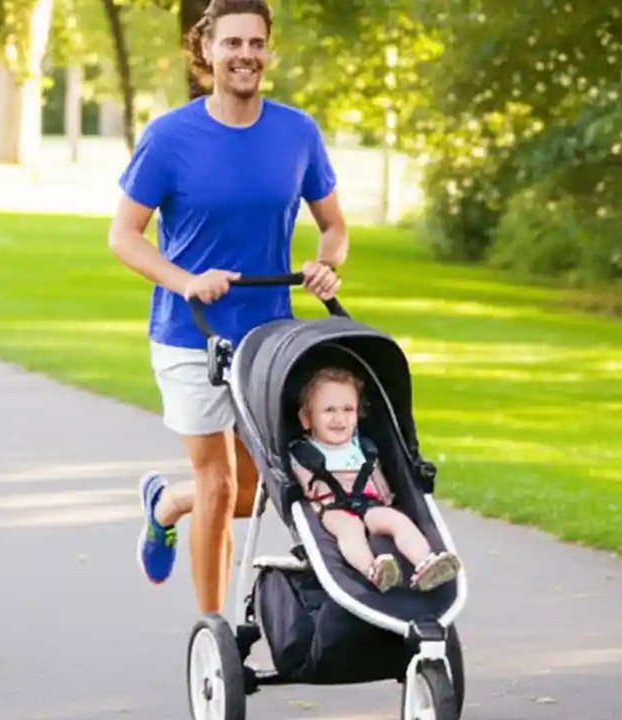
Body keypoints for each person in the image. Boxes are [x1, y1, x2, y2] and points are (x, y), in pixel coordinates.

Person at [106, 0, 347, 615]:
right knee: (219, 482)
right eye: (233, 43)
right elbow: (124, 237)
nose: (246, 55)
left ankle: (164, 503)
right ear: (206, 50)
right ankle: (212, 635)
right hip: (192, 335)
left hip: (270, 338)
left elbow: (334, 226)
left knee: (261, 489)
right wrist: (186, 281)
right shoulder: (169, 137)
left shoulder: (297, 133)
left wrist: (326, 263)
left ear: (268, 51)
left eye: (257, 44)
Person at [289, 367, 461, 593]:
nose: (339, 419)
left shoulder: (364, 447)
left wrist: (387, 499)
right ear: (306, 418)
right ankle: (372, 570)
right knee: (350, 530)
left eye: (348, 409)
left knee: (398, 521)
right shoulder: (303, 451)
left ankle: (426, 562)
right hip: (333, 507)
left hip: (370, 503)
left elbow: (377, 477)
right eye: (329, 410)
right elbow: (302, 484)